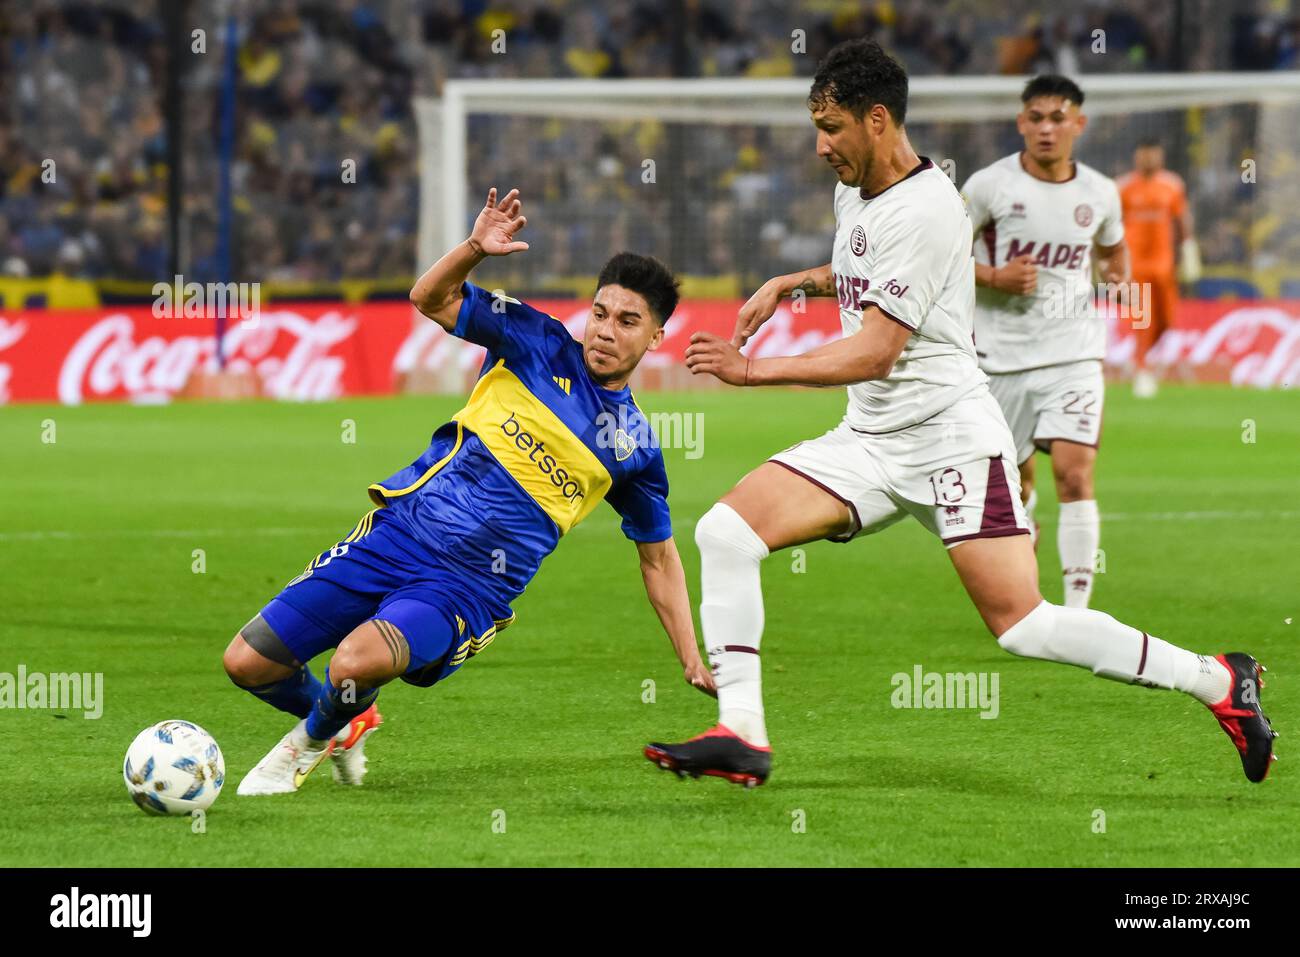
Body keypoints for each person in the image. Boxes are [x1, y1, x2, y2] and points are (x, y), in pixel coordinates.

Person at [643, 40, 1275, 788]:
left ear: (877, 120)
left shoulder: (932, 206)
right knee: (725, 531)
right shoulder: (858, 189)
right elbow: (860, 269)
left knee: (1024, 625)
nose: (820, 146)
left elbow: (876, 350)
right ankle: (742, 733)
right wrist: (795, 282)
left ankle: (1217, 680)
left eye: (831, 126)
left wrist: (753, 371)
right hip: (871, 439)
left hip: (952, 442)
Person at [224, 187, 715, 795]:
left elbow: (659, 557)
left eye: (628, 321)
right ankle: (350, 721)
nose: (606, 331)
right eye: (601, 313)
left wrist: (691, 656)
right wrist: (474, 250)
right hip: (399, 532)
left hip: (469, 585)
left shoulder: (633, 448)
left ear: (658, 336)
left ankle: (309, 742)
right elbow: (429, 298)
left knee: (353, 663)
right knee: (248, 663)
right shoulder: (536, 340)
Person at [961, 74, 1128, 609]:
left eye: (1058, 118)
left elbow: (1114, 253)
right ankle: (1024, 527)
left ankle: (1078, 609)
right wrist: (994, 277)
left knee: (1074, 475)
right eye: (1036, 118)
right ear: (1021, 123)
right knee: (1016, 484)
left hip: (1073, 354)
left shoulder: (1100, 192)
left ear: (1078, 124)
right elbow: (938, 260)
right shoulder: (989, 187)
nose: (1046, 128)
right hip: (999, 358)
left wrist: (1119, 281)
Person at [1118, 139, 1197, 398]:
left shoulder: (1172, 185)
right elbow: (1113, 225)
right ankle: (1142, 371)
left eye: (1153, 155)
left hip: (1164, 266)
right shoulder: (1124, 187)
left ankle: (1139, 361)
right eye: (1144, 155)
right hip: (1136, 266)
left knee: (1165, 320)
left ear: (1160, 157)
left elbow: (1181, 218)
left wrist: (1189, 250)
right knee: (1143, 320)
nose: (1148, 159)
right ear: (1136, 157)